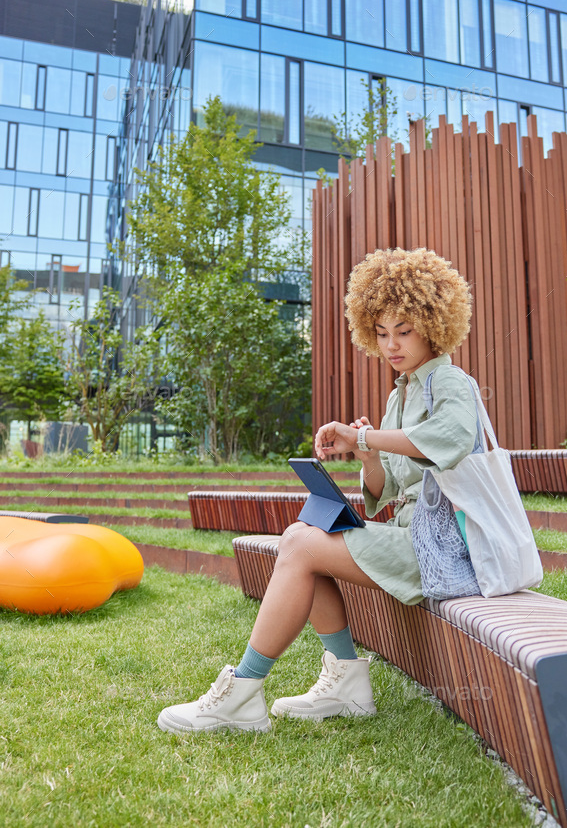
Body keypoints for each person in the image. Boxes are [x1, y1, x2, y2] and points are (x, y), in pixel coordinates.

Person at [157, 247, 479, 734]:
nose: (392, 345)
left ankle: (242, 694)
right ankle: (344, 683)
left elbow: (450, 442)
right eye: (382, 333)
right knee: (302, 538)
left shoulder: (451, 383)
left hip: (443, 550)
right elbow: (386, 487)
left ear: (434, 324)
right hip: (414, 535)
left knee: (302, 540)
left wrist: (363, 438)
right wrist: (369, 457)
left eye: (404, 331)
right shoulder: (403, 392)